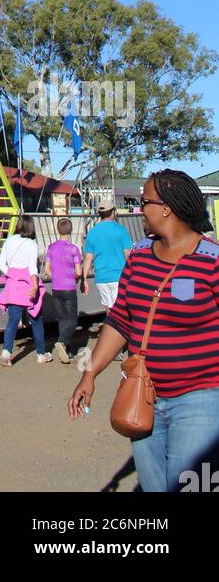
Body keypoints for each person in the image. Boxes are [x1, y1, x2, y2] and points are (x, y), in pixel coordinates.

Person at [69, 170, 219, 493]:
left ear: (166, 208)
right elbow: (120, 320)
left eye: (144, 202)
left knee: (193, 487)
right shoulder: (138, 257)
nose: (139, 209)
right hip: (143, 396)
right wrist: (90, 373)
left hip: (201, 401)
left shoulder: (212, 262)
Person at [0, 214, 52, 365]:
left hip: (13, 285)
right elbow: (32, 268)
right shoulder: (31, 244)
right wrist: (34, 286)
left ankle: (6, 352)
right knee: (36, 319)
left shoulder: (9, 240)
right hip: (28, 284)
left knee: (13, 320)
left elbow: (1, 264)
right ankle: (41, 354)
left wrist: (12, 274)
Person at [43, 217, 83, 364]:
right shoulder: (74, 249)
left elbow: (47, 269)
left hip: (56, 287)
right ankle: (62, 341)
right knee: (72, 319)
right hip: (69, 287)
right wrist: (73, 276)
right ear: (70, 230)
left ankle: (67, 350)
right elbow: (78, 272)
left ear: (57, 230)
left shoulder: (51, 247)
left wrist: (57, 276)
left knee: (62, 319)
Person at [83, 198, 133, 310]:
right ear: (113, 212)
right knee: (121, 311)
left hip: (101, 277)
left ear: (99, 214)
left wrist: (84, 279)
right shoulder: (121, 230)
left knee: (109, 311)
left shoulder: (92, 232)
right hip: (118, 276)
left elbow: (88, 258)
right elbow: (127, 255)